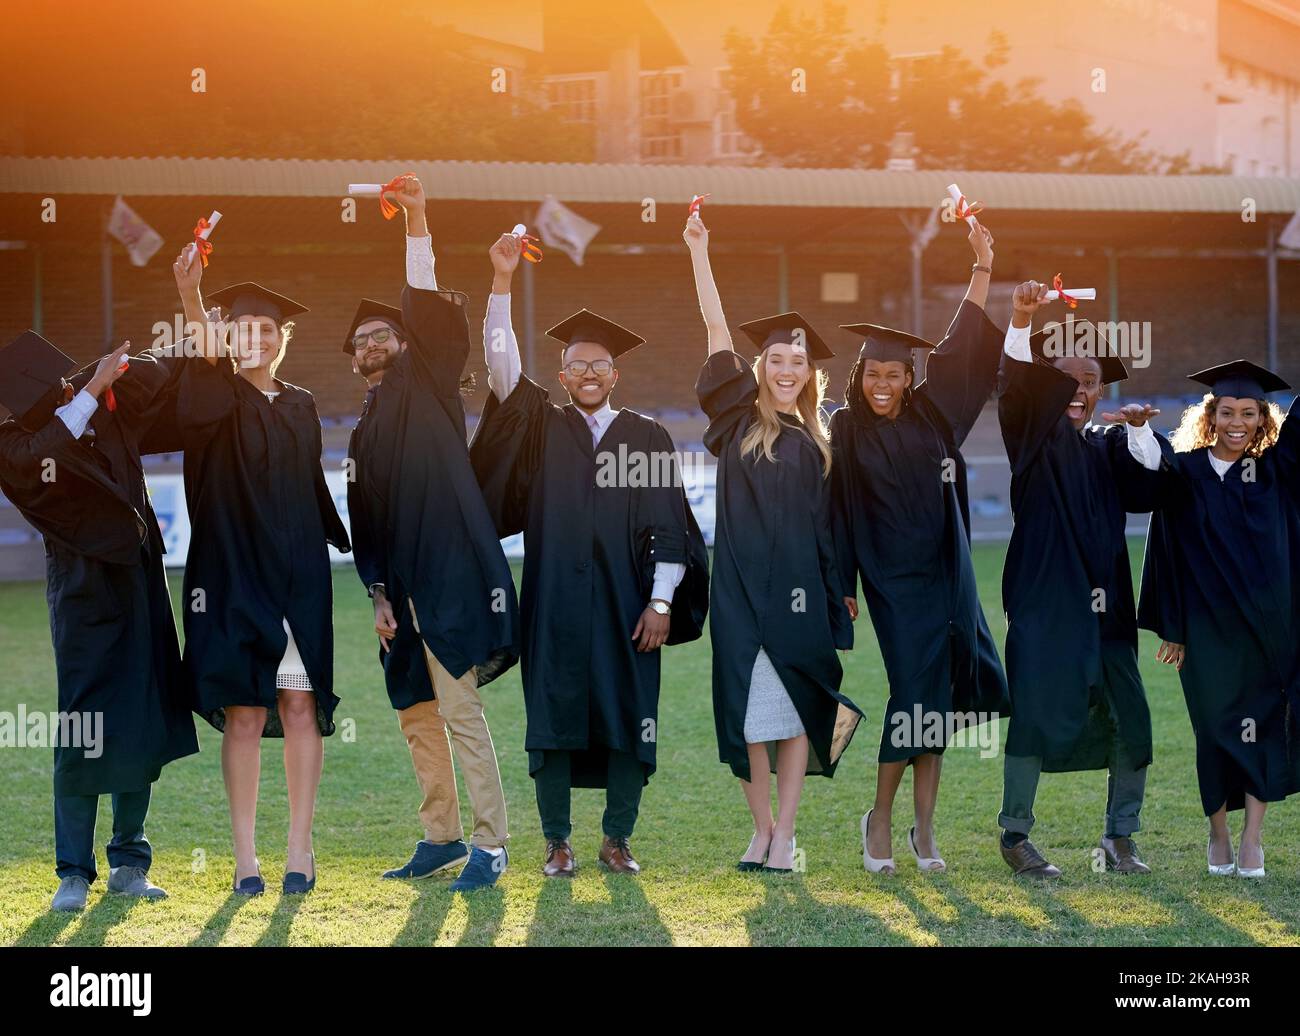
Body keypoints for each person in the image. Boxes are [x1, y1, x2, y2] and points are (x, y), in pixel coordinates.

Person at [469, 231, 708, 877]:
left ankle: (617, 840)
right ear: (563, 374)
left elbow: (670, 529)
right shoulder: (543, 428)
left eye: (600, 364)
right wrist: (500, 284)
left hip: (631, 609)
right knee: (552, 719)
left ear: (616, 373)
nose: (590, 373)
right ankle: (556, 842)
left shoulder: (649, 436)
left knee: (630, 718)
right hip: (554, 608)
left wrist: (661, 601)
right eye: (577, 364)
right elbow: (500, 369)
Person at [344, 174, 518, 892]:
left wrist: (417, 221)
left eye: (383, 332)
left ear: (406, 341)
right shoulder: (361, 432)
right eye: (360, 341)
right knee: (415, 713)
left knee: (458, 708)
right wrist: (379, 593)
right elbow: (368, 522)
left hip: (448, 573)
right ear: (353, 359)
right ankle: (441, 836)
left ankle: (491, 844)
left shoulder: (430, 382)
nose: (372, 343)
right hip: (403, 586)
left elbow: (425, 296)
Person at [830, 216, 1008, 875]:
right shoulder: (845, 428)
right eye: (873, 373)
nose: (883, 384)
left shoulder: (935, 416)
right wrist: (842, 584)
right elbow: (838, 510)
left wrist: (981, 268)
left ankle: (923, 832)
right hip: (890, 580)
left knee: (941, 700)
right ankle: (879, 820)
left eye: (894, 375)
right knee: (913, 694)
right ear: (862, 374)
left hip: (944, 576)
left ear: (909, 378)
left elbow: (962, 352)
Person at [684, 211, 861, 874]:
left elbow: (829, 531)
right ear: (762, 368)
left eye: (798, 362)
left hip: (800, 598)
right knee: (744, 715)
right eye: (777, 360)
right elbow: (714, 331)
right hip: (738, 594)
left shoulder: (822, 443)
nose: (787, 369)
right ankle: (760, 829)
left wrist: (838, 591)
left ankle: (784, 837)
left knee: (790, 716)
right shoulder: (737, 422)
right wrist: (701, 251)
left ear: (811, 373)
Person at [171, 254, 351, 896]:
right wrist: (191, 296)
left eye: (268, 329)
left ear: (283, 339)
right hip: (232, 570)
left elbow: (310, 485)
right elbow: (204, 370)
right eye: (243, 329)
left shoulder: (301, 405)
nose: (258, 337)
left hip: (299, 572)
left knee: (300, 704)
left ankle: (300, 848)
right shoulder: (214, 396)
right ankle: (246, 858)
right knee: (245, 712)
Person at [0, 331, 199, 912]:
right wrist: (89, 387)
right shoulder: (14, 450)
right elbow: (50, 445)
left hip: (139, 583)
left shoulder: (108, 417)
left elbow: (154, 376)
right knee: (84, 728)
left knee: (141, 716)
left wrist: (189, 330)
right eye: (58, 386)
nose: (69, 387)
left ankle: (130, 861)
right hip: (84, 596)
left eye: (70, 381)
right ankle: (72, 871)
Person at [996, 285, 1167, 878]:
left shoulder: (1111, 446)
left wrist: (1143, 432)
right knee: (1037, 714)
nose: (1078, 390)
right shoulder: (1030, 439)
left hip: (1108, 610)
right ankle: (1015, 836)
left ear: (1101, 389)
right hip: (1045, 605)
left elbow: (1150, 493)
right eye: (1064, 379)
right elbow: (1015, 387)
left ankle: (1120, 838)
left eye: (1090, 380)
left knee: (1131, 718)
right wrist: (1021, 318)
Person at [1139, 360, 1300, 878]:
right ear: (1211, 416)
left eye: (1248, 413)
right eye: (1227, 411)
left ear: (1262, 419)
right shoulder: (1184, 473)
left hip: (1267, 634)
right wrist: (1173, 627)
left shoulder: (1276, 470)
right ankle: (1218, 834)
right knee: (1213, 731)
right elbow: (1163, 550)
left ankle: (1252, 839)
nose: (1237, 421)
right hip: (1205, 634)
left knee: (1265, 730)